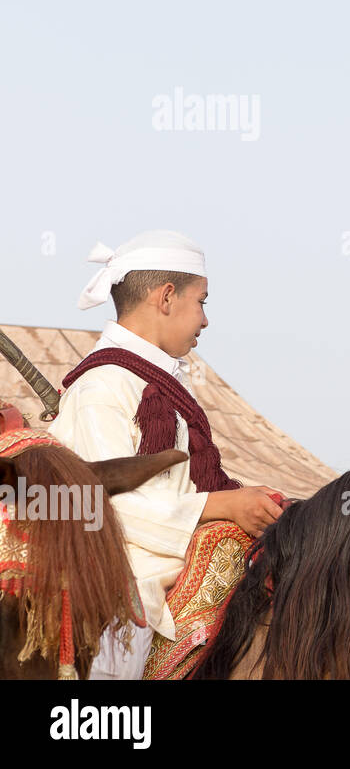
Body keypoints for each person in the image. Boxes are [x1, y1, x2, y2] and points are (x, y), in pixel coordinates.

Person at [49, 230, 283, 678]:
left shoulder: (159, 382)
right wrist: (223, 506)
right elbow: (106, 507)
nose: (206, 321)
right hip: (118, 592)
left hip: (168, 563)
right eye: (203, 302)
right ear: (167, 297)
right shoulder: (103, 387)